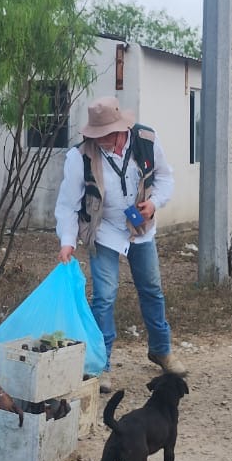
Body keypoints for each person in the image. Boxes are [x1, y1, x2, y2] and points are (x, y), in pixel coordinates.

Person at [55, 96, 185, 392]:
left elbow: (166, 178)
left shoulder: (146, 140)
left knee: (152, 289)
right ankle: (102, 364)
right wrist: (67, 242)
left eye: (107, 136)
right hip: (103, 230)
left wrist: (153, 204)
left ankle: (161, 349)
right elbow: (67, 204)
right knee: (104, 296)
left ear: (121, 130)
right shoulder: (79, 157)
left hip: (140, 227)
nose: (102, 142)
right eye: (96, 136)